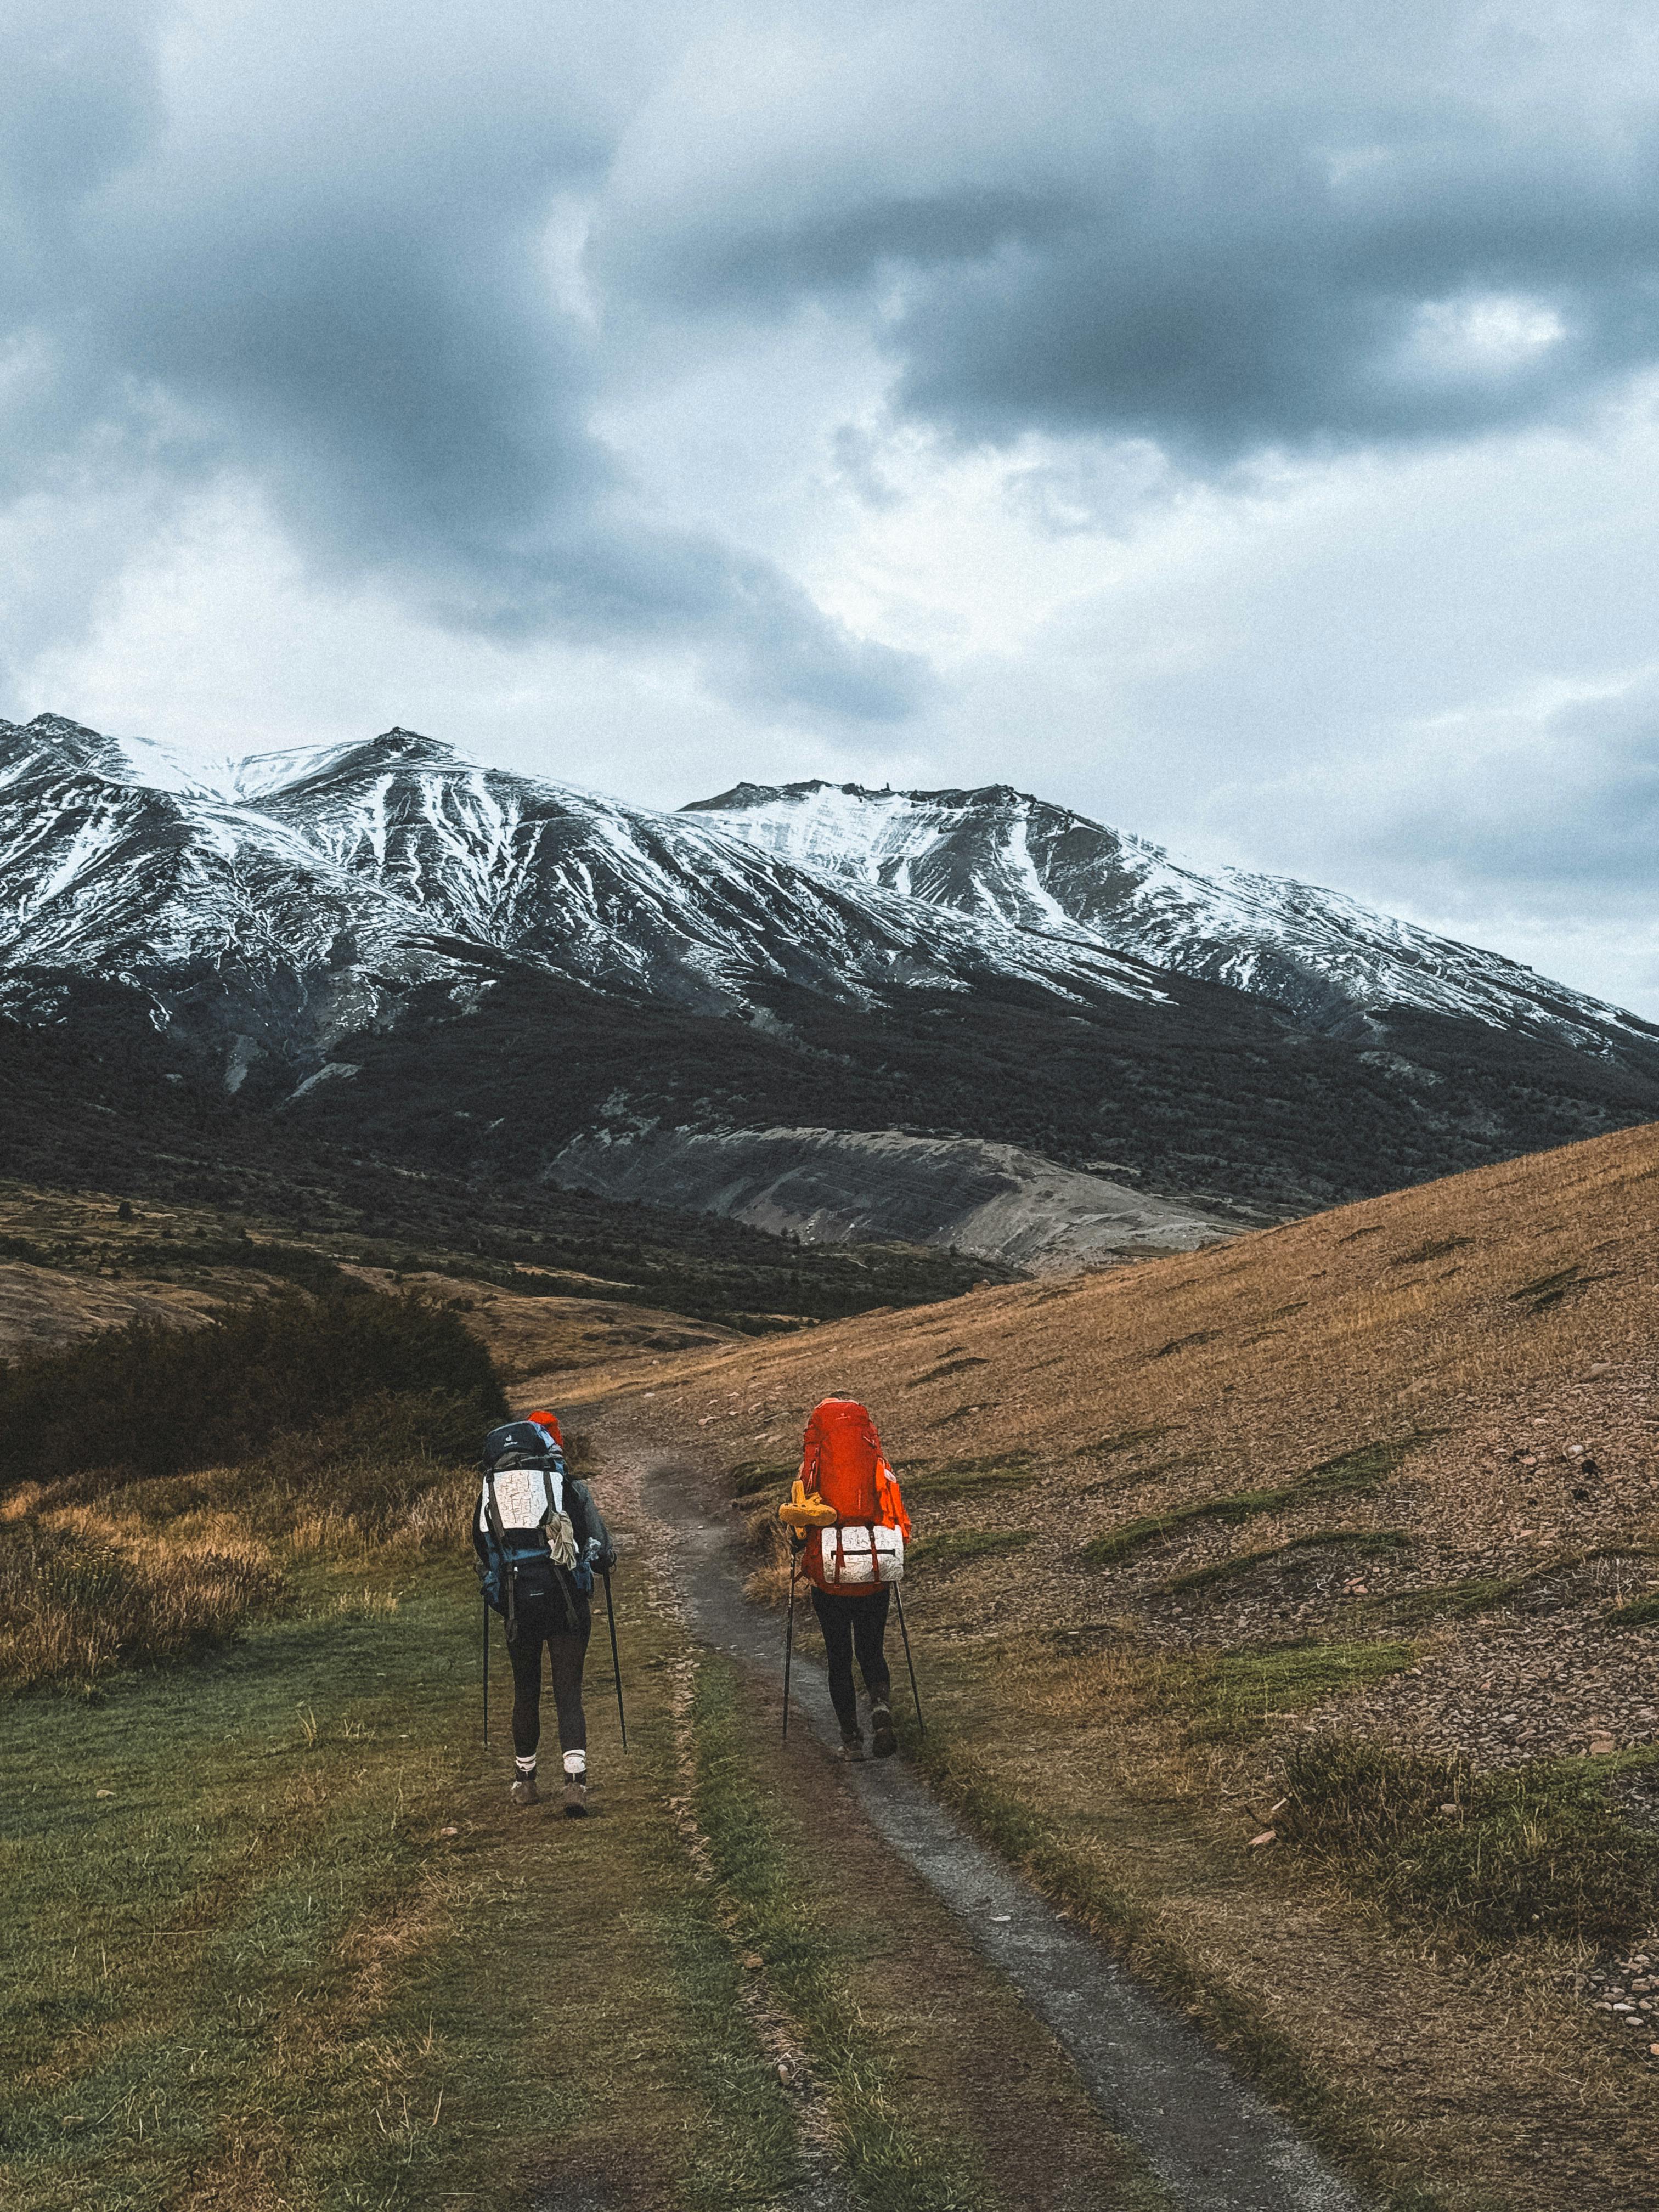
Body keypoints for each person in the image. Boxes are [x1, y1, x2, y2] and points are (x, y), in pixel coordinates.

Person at [473, 1411, 614, 1816]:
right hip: (566, 1599)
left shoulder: (490, 1491)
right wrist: (604, 1561)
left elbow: (483, 1548)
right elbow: (599, 1547)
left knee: (526, 1691)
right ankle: (575, 1784)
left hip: (519, 1604)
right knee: (568, 1692)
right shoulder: (567, 1486)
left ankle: (526, 1781)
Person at [783, 1394, 912, 1761]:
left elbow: (800, 1523)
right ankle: (880, 1708)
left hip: (831, 1576)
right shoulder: (876, 1461)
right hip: (874, 1570)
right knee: (871, 1649)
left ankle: (852, 1740)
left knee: (838, 1657)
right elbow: (895, 1513)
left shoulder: (812, 1468)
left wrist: (797, 1545)